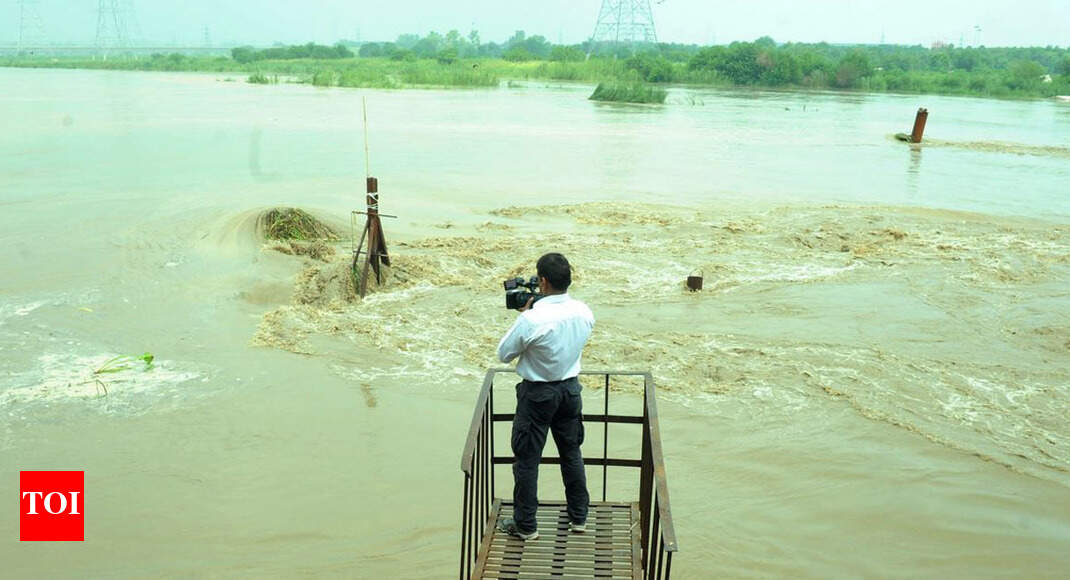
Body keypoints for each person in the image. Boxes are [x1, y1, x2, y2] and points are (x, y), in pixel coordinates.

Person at [496, 252, 595, 541]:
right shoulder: (584, 311)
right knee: (571, 453)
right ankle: (579, 517)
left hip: (537, 395)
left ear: (542, 281)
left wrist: (525, 315)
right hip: (570, 390)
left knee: (527, 460)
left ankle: (526, 526)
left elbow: (504, 354)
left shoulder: (533, 319)